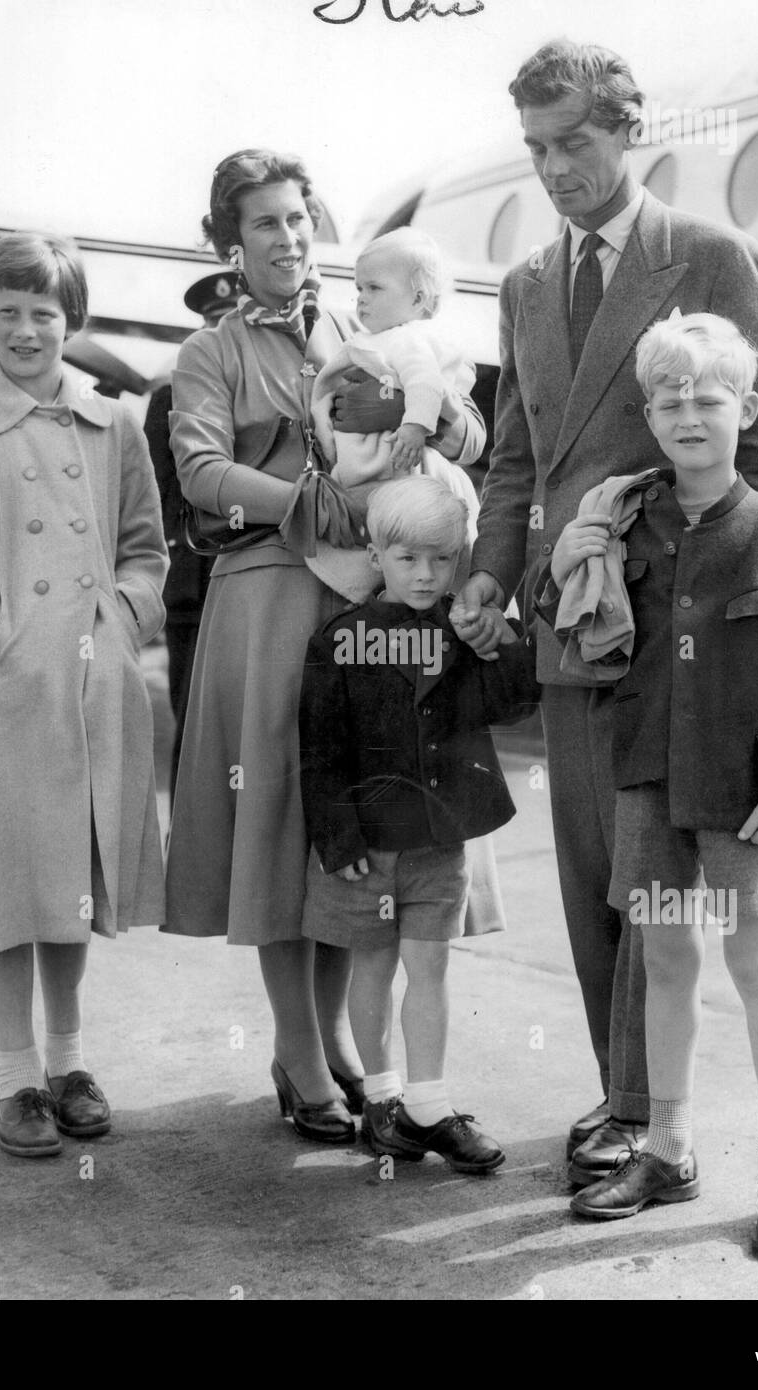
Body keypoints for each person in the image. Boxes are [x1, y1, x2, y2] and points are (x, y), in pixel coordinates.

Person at [449, 39, 758, 1178]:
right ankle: (625, 1098)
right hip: (571, 620)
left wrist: (742, 612)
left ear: (628, 131)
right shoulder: (522, 285)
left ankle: (656, 1118)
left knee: (658, 889)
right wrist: (489, 577)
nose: (555, 169)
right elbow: (516, 461)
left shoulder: (708, 255)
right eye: (539, 149)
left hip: (679, 637)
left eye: (577, 142)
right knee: (594, 877)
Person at [162, 150, 486, 1142]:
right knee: (278, 818)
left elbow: (456, 424)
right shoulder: (211, 352)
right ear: (233, 242)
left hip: (374, 603)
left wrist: (460, 425)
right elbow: (200, 469)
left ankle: (347, 1046)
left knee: (358, 825)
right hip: (268, 600)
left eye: (299, 219)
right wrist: (309, 500)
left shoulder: (368, 326)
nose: (289, 238)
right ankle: (299, 1052)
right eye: (265, 223)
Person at [542, 313, 758, 1251]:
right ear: (649, 414)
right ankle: (667, 1148)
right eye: (668, 401)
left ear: (746, 408)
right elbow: (569, 623)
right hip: (650, 779)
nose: (687, 414)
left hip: (746, 792)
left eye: (708, 398)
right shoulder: (625, 519)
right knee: (668, 959)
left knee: (756, 965)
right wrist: (577, 551)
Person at [0, 232, 168, 1157]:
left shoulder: (114, 425)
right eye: (6, 310)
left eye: (43, 312)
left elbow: (144, 552)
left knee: (73, 881)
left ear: (71, 322)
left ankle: (70, 1060)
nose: (25, 329)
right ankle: (15, 1075)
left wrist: (122, 624)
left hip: (88, 689)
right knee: (2, 885)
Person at [299, 476, 540, 1172]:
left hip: (439, 841)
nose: (427, 574)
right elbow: (319, 746)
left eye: (442, 558)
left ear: (460, 556)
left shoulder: (464, 631)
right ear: (376, 556)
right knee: (371, 965)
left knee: (429, 967)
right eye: (408, 559)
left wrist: (499, 642)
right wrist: (336, 834)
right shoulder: (341, 640)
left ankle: (428, 1108)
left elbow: (515, 702)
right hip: (368, 847)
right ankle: (383, 1102)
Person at [306, 228, 479, 602]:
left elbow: (426, 383)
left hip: (400, 461)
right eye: (358, 289)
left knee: (405, 536)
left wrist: (415, 426)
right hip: (367, 463)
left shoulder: (409, 338)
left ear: (417, 299)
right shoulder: (376, 339)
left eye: (374, 288)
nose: (361, 300)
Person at [142, 270, 240, 797]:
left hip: (258, 577)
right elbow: (157, 493)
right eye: (212, 322)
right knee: (194, 720)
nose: (222, 331)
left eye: (232, 320)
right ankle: (186, 847)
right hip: (194, 589)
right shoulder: (171, 396)